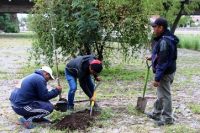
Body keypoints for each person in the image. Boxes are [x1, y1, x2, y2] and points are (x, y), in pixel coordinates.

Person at [146, 17, 179, 126]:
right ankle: (156, 113)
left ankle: (168, 119)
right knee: (161, 93)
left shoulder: (164, 41)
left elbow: (163, 61)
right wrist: (153, 56)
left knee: (165, 95)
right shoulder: (167, 37)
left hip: (165, 72)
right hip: (169, 69)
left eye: (155, 27)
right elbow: (164, 55)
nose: (153, 29)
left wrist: (157, 78)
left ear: (161, 27)